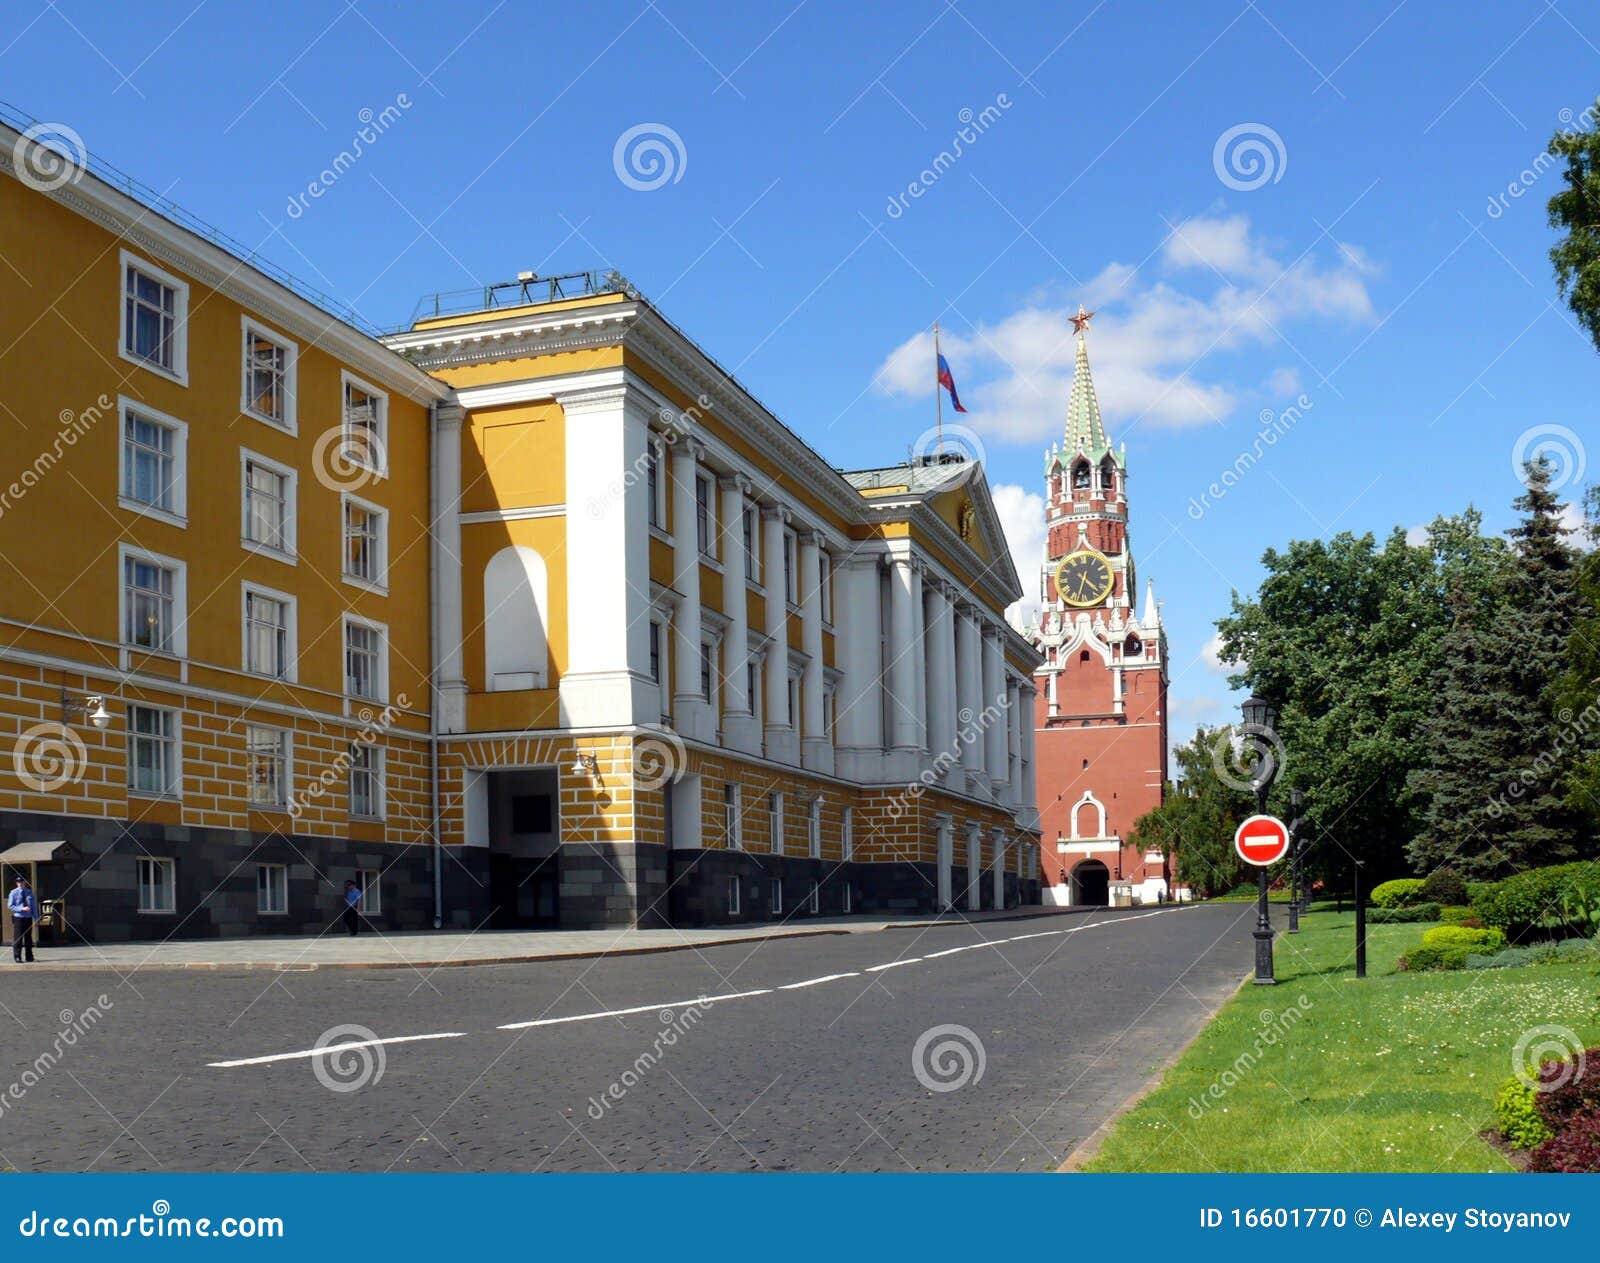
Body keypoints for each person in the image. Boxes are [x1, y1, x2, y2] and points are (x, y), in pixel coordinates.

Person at [9, 875, 38, 964]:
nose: (20, 884)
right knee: (18, 938)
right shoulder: (13, 893)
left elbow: (33, 906)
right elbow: (10, 906)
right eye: (18, 882)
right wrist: (21, 909)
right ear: (16, 883)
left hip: (28, 918)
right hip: (19, 917)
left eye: (22, 882)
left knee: (28, 938)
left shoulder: (29, 892)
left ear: (25, 882)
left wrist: (36, 918)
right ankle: (17, 956)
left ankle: (29, 957)